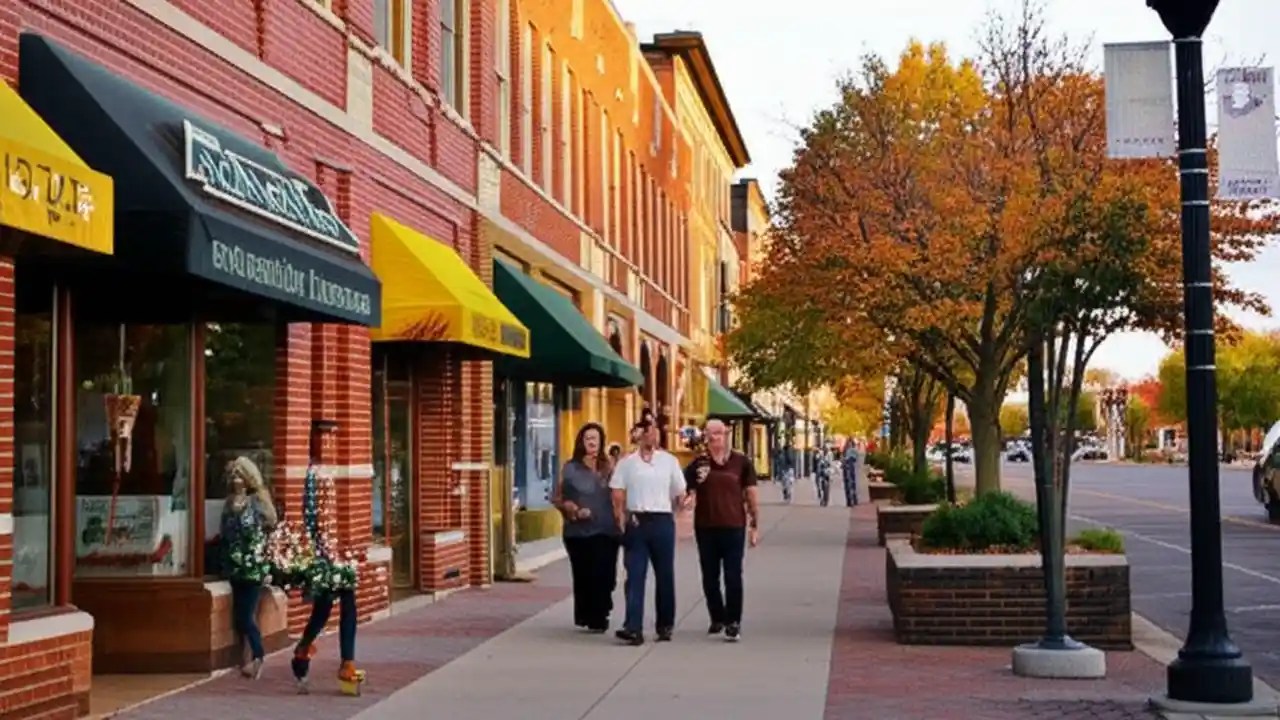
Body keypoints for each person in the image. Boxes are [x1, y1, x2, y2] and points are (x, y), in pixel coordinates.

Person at [290, 419, 364, 696]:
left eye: (333, 438)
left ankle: (346, 661)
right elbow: (311, 518)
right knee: (322, 609)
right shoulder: (311, 475)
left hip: (332, 553)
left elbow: (336, 516)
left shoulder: (329, 474)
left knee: (347, 600)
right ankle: (303, 649)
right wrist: (318, 549)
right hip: (319, 554)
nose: (330, 444)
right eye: (326, 438)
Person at [610, 415, 687, 645]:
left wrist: (680, 506)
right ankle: (633, 627)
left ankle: (665, 624)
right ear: (638, 434)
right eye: (646, 431)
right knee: (635, 575)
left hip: (662, 519)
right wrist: (621, 517)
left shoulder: (669, 461)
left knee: (664, 574)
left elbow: (679, 492)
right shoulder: (627, 462)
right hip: (637, 520)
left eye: (654, 431)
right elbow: (617, 491)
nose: (650, 435)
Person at [685, 419, 759, 641]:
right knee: (710, 576)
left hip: (734, 526)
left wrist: (755, 524)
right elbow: (685, 490)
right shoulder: (699, 463)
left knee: (733, 574)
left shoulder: (741, 462)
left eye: (719, 433)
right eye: (710, 434)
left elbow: (751, 494)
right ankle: (717, 616)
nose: (715, 438)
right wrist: (688, 497)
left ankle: (733, 621)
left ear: (727, 434)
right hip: (706, 527)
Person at [553, 423, 620, 633]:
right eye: (588, 438)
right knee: (585, 576)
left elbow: (620, 493)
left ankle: (602, 608)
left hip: (607, 530)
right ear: (581, 441)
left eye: (596, 438)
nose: (592, 442)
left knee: (606, 575)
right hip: (578, 533)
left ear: (601, 442)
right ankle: (592, 617)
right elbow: (557, 497)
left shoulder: (609, 467)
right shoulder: (569, 467)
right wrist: (572, 509)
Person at [220, 456, 277, 679]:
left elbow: (271, 523)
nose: (235, 480)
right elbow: (225, 531)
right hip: (233, 565)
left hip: (252, 566)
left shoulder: (258, 501)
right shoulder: (229, 503)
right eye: (233, 475)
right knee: (239, 616)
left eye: (239, 475)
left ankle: (258, 656)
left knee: (246, 616)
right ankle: (247, 658)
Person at [841, 439, 860, 507]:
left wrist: (847, 459)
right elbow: (842, 459)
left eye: (850, 443)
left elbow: (856, 459)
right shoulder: (845, 450)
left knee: (851, 485)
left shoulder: (853, 450)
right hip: (846, 469)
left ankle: (853, 500)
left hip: (851, 469)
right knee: (847, 485)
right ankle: (849, 501)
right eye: (848, 443)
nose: (849, 445)